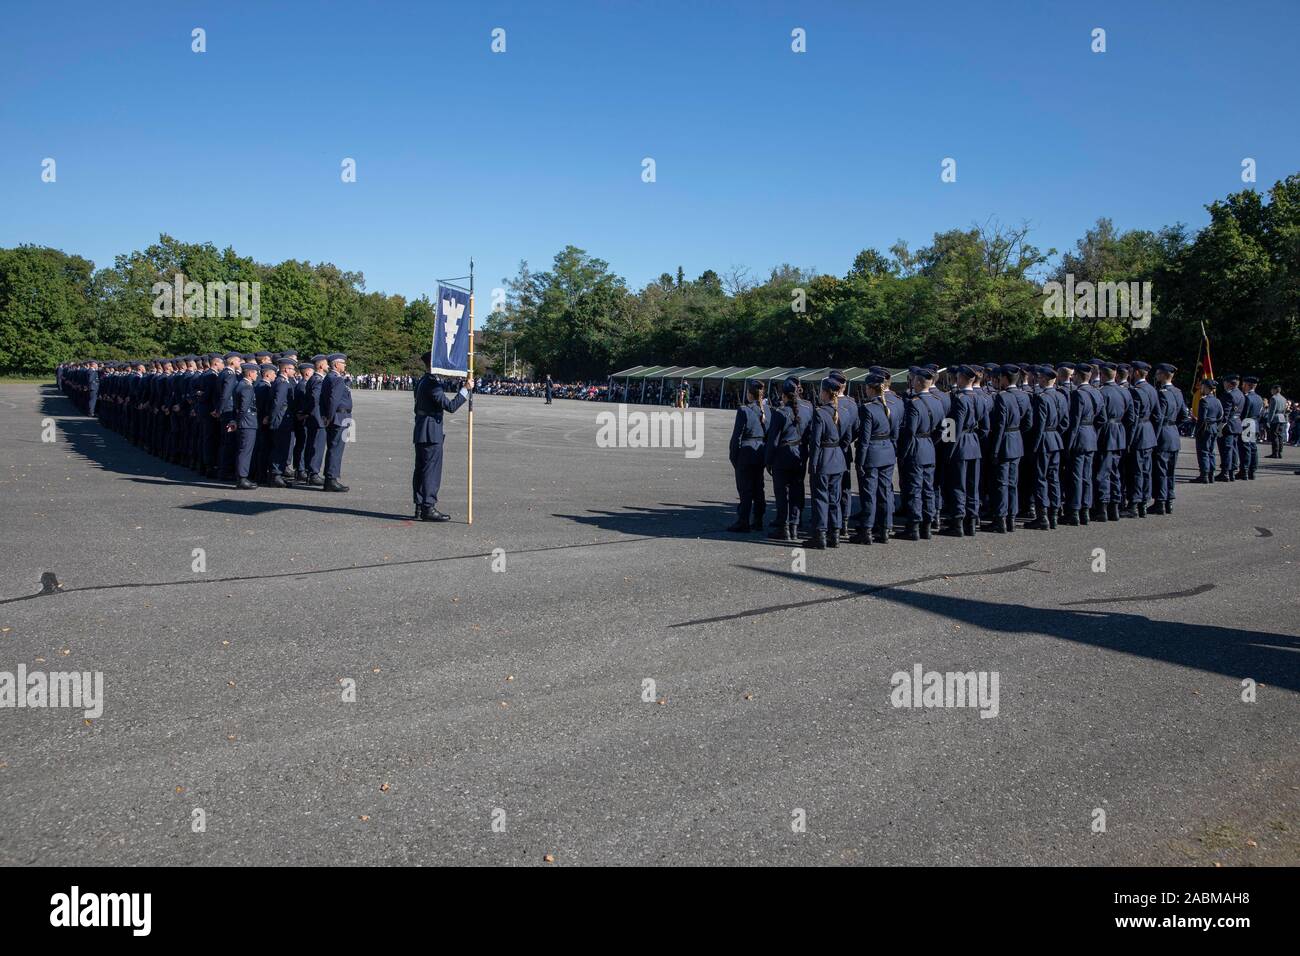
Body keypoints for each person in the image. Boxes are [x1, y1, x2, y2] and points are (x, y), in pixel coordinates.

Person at [412, 354, 473, 521]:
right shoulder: (433, 384)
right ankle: (428, 507)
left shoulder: (422, 381)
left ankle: (419, 505)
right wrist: (465, 390)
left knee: (421, 470)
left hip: (421, 429)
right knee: (431, 470)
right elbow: (450, 406)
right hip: (431, 432)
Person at [851, 372, 899, 544]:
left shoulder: (868, 408)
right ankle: (885, 529)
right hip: (887, 452)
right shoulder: (891, 405)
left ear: (871, 389)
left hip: (872, 453)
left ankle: (867, 530)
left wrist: (860, 460)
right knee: (885, 491)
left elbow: (864, 439)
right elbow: (895, 433)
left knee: (870, 493)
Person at [802, 378, 849, 549]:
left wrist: (812, 463)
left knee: (821, 498)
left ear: (826, 393)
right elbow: (847, 436)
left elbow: (814, 442)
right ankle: (834, 534)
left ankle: (820, 535)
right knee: (834, 499)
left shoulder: (820, 413)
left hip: (823, 459)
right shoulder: (843, 410)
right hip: (838, 458)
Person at [941, 365, 983, 537]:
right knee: (973, 486)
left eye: (958, 377)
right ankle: (971, 521)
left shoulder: (959, 398)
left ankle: (957, 522)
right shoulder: (979, 397)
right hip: (974, 442)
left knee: (958, 485)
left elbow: (954, 426)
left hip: (961, 444)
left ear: (963, 379)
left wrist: (948, 448)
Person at [764, 377, 807, 542]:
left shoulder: (780, 413)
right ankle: (795, 526)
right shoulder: (807, 408)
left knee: (782, 494)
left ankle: (784, 528)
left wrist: (768, 460)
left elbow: (773, 440)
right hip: (799, 454)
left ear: (784, 395)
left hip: (782, 456)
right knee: (796, 492)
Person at [898, 367, 937, 542]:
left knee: (915, 489)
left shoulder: (915, 403)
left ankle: (914, 526)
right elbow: (945, 428)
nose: (912, 382)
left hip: (916, 449)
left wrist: (903, 453)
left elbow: (909, 432)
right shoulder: (937, 400)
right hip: (929, 447)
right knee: (928, 489)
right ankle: (927, 526)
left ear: (919, 383)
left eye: (914, 380)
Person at [987, 365, 1025, 533]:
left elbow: (1000, 425)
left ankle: (1001, 519)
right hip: (1017, 441)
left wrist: (994, 450)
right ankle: (1011, 518)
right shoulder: (1022, 396)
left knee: (1002, 483)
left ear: (1004, 378)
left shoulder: (1002, 397)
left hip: (1005, 443)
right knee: (1012, 483)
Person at [1025, 365, 1063, 530]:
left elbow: (1039, 425)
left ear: (1045, 380)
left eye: (1040, 378)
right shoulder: (1061, 396)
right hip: (1055, 439)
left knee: (1041, 479)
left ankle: (1043, 517)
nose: (1037, 380)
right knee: (1053, 478)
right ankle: (1054, 515)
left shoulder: (1042, 398)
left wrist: (1034, 446)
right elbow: (1065, 422)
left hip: (1044, 442)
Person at [727, 380, 768, 532]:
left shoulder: (744, 410)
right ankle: (758, 519)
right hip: (760, 452)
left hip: (746, 452)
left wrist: (734, 456)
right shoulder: (767, 410)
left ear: (750, 394)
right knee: (758, 487)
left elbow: (737, 437)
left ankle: (743, 520)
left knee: (745, 489)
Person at [1062, 362, 1099, 526]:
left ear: (1077, 375)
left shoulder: (1078, 394)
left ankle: (1075, 511)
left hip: (1080, 437)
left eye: (1074, 375)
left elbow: (1075, 422)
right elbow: (1102, 418)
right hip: (1091, 436)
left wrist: (1068, 444)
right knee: (1087, 476)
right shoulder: (1096, 392)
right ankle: (1085, 510)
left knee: (1076, 476)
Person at [1151, 363, 1188, 514]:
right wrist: (1173, 426)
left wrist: (1155, 437)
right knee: (1170, 471)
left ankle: (1160, 502)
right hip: (1173, 433)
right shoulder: (1178, 392)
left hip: (1163, 435)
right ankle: (1169, 500)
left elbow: (1159, 418)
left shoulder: (1162, 393)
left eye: (1158, 373)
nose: (1156, 375)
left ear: (1163, 375)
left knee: (1161, 470)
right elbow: (1184, 416)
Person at [318, 353, 352, 492]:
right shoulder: (337, 379)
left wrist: (326, 416)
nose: (344, 365)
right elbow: (333, 400)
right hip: (339, 417)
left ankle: (330, 479)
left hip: (337, 416)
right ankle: (331, 479)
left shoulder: (330, 378)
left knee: (334, 447)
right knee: (336, 449)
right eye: (343, 363)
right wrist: (330, 417)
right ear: (336, 365)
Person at [230, 360, 260, 489]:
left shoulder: (240, 384)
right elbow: (244, 407)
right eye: (255, 373)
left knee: (243, 450)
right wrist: (237, 421)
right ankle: (242, 478)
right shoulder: (247, 387)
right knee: (245, 451)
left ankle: (242, 477)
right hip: (247, 422)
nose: (257, 375)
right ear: (250, 374)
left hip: (244, 422)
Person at [1194, 378, 1223, 483]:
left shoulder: (1204, 400)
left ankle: (1204, 475)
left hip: (1205, 428)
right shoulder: (1217, 400)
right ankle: (1211, 474)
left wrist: (1198, 431)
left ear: (1205, 387)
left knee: (1203, 451)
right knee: (1211, 451)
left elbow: (1202, 418)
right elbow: (1221, 415)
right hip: (1214, 427)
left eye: (1202, 386)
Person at [1217, 372, 1244, 481]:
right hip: (1237, 423)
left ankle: (1225, 472)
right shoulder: (1241, 394)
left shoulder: (1228, 394)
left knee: (1226, 449)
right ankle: (1232, 471)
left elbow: (1225, 413)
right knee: (1233, 449)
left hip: (1228, 425)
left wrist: (1220, 427)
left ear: (1228, 383)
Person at [1238, 375, 1262, 480]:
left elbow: (1244, 414)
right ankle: (1252, 471)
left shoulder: (1247, 397)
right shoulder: (1259, 398)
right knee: (1253, 448)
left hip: (1247, 423)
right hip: (1255, 423)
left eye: (1244, 384)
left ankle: (1244, 470)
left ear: (1248, 385)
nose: (1242, 386)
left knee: (1245, 449)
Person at [1265, 384, 1288, 457]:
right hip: (1282, 417)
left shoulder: (1274, 398)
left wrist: (1269, 421)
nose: (1271, 391)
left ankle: (1275, 453)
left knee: (1274, 436)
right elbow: (1284, 410)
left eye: (1272, 389)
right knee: (1280, 436)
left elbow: (1272, 411)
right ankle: (1280, 452)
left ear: (1275, 390)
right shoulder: (1284, 398)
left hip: (1275, 418)